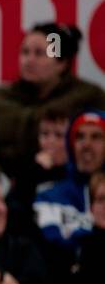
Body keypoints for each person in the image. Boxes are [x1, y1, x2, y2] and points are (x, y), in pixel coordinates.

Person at [0, 22, 105, 174]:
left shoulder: (88, 97)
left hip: (68, 181)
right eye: (25, 52)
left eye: (39, 53)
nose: (29, 60)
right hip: (6, 186)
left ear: (62, 63)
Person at [35, 109, 105, 263]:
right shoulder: (49, 196)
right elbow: (51, 247)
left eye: (96, 137)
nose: (86, 144)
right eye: (80, 137)